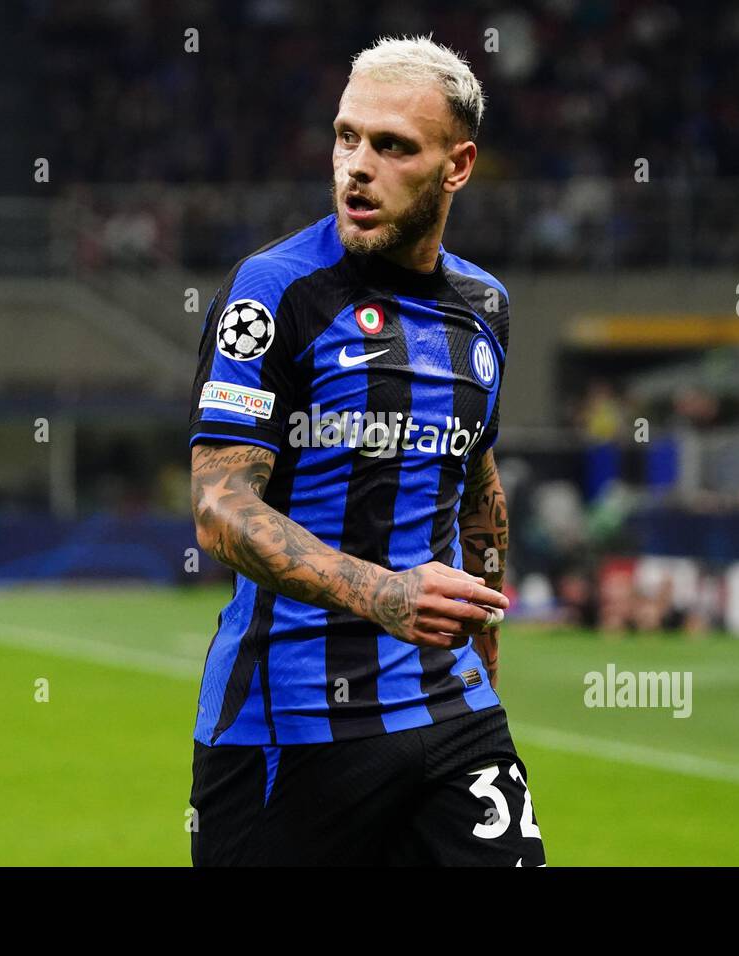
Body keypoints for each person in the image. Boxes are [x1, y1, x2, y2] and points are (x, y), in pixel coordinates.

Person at [187, 36, 544, 865]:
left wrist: (486, 629)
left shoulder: (484, 307)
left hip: (449, 708)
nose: (357, 167)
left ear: (457, 167)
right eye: (347, 137)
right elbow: (218, 507)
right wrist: (384, 594)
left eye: (392, 146)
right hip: (289, 722)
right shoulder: (274, 292)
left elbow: (475, 478)